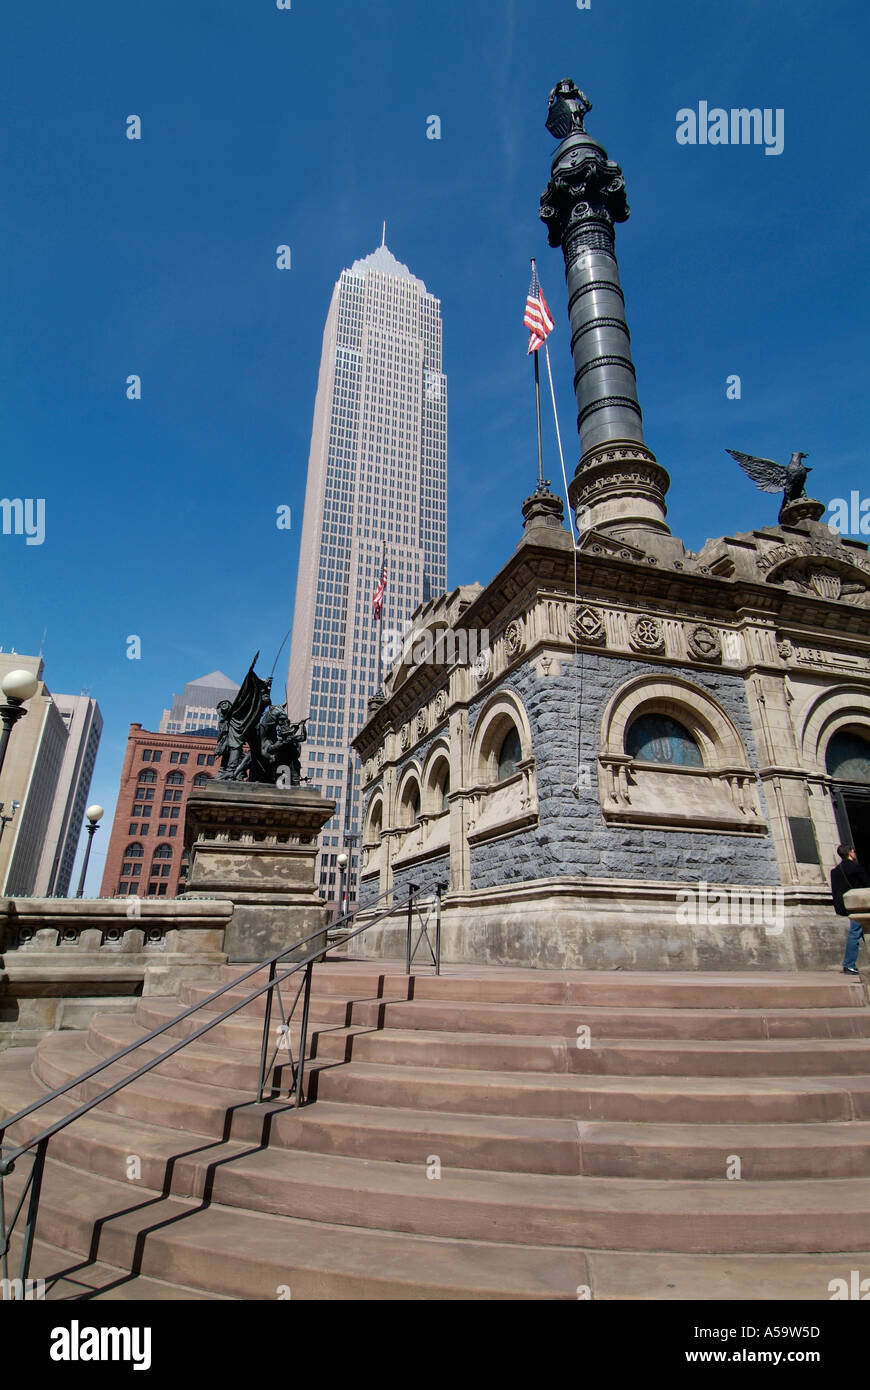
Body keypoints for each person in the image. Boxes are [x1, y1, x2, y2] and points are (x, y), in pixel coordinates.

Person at [830, 845, 870, 975]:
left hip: (848, 906)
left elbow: (836, 891)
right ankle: (849, 964)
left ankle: (849, 964)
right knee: (855, 932)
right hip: (861, 905)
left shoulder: (836, 871)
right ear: (849, 853)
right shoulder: (856, 868)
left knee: (862, 931)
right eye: (853, 851)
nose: (855, 853)